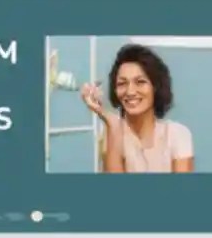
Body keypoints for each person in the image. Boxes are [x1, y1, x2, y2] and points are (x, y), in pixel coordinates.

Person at [80, 44, 194, 173]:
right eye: (122, 83)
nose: (130, 91)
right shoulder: (112, 134)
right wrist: (110, 122)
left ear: (156, 87)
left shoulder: (177, 134)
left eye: (140, 82)